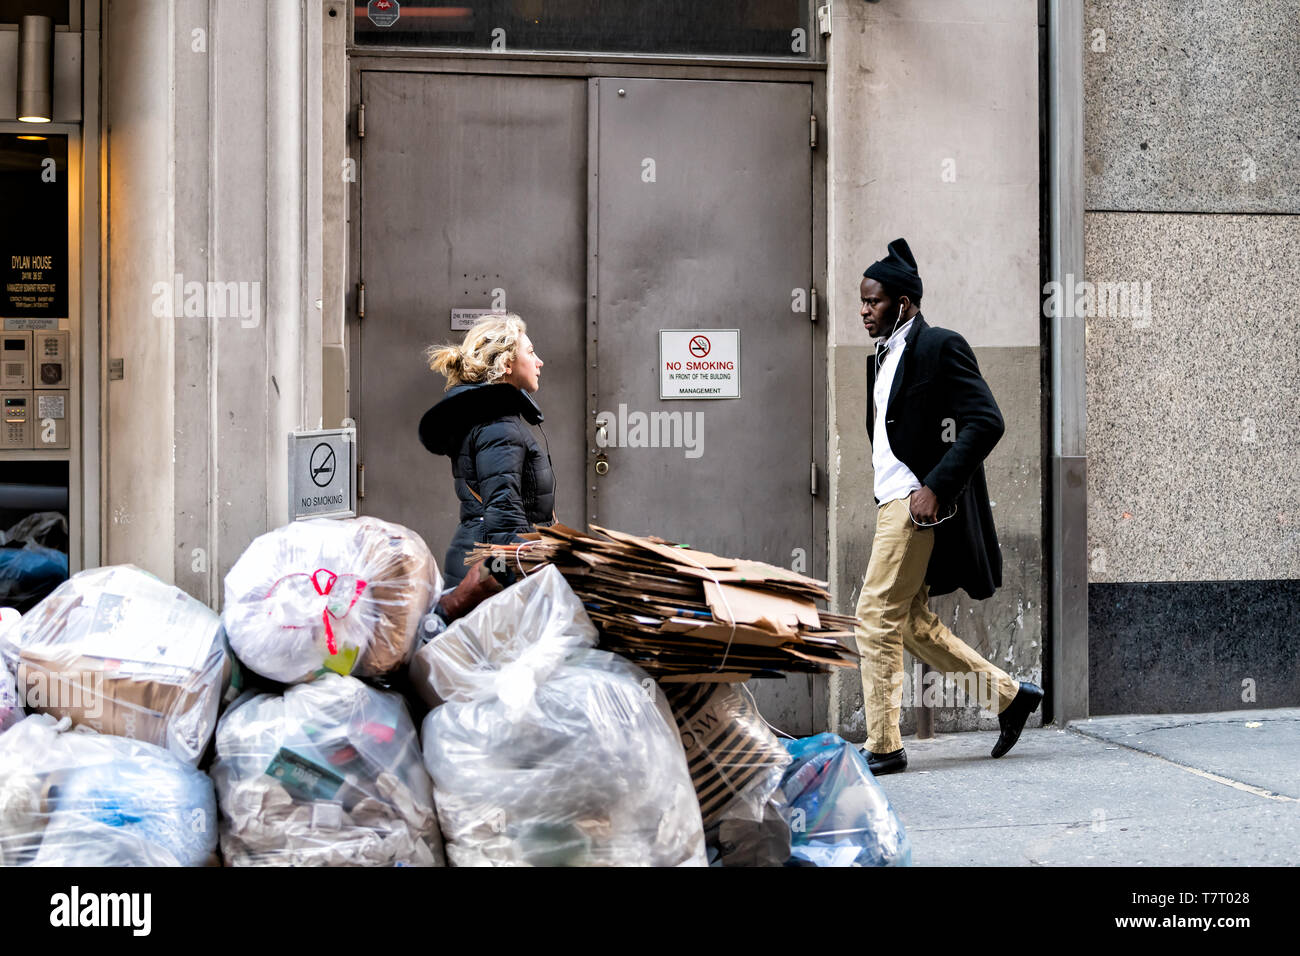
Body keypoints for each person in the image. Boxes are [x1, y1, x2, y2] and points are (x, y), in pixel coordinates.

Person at [855, 238, 1042, 775]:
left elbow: (987, 420)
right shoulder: (880, 359)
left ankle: (884, 746)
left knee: (873, 616)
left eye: (874, 302)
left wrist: (935, 487)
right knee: (911, 624)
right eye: (863, 302)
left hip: (914, 507)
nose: (865, 311)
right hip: (891, 501)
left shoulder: (940, 346)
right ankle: (1009, 698)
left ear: (905, 303)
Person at [417, 313, 554, 607]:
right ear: (507, 364)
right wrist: (536, 579)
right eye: (530, 353)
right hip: (486, 577)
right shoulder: (497, 425)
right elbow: (504, 522)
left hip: (483, 566)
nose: (539, 362)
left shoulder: (495, 419)